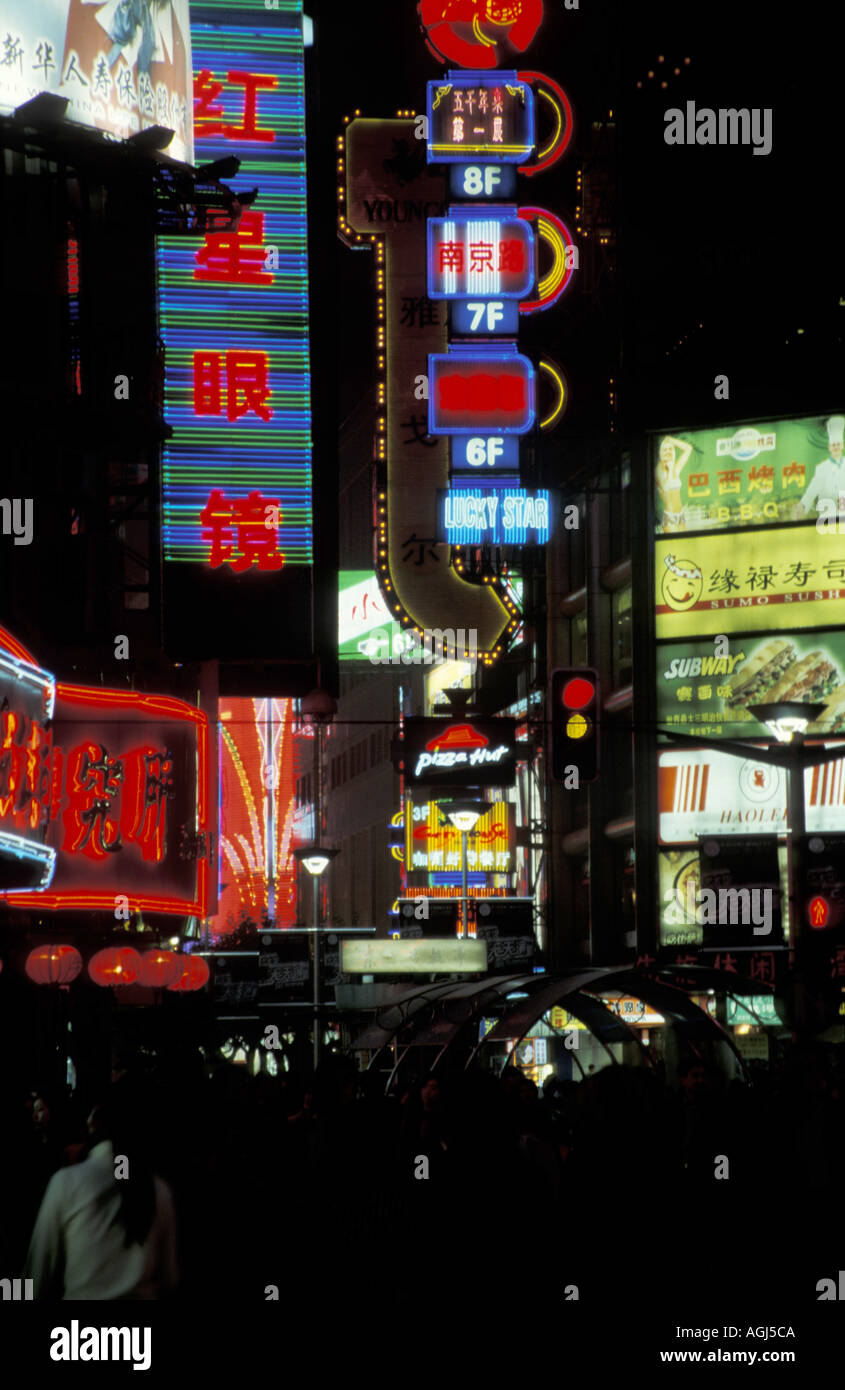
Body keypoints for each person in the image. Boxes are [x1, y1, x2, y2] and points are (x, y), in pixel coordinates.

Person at [24, 1082, 178, 1300]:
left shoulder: (66, 1183)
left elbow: (36, 1275)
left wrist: (8, 1292)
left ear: (93, 1123)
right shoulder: (159, 1189)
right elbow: (169, 1279)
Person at [799, 416, 845, 516]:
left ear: (842, 445)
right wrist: (802, 506)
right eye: (833, 445)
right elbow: (812, 491)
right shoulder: (822, 468)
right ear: (829, 447)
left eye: (838, 444)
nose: (836, 447)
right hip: (827, 518)